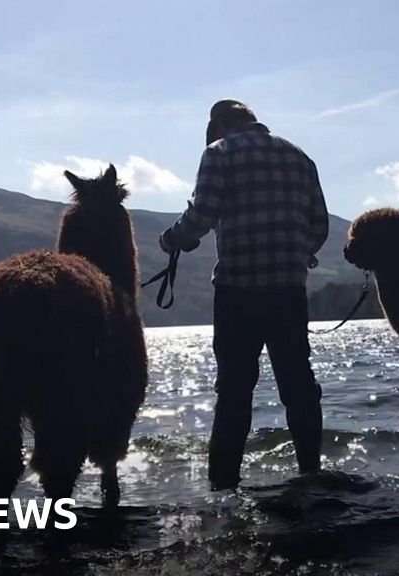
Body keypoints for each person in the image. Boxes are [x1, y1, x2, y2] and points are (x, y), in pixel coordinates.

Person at [159, 99, 329, 490]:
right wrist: (296, 253)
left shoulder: (218, 153)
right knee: (299, 385)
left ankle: (223, 490)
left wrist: (172, 240)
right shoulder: (299, 156)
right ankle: (311, 477)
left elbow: (201, 216)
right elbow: (318, 224)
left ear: (218, 125)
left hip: (238, 291)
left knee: (234, 390)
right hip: (288, 291)